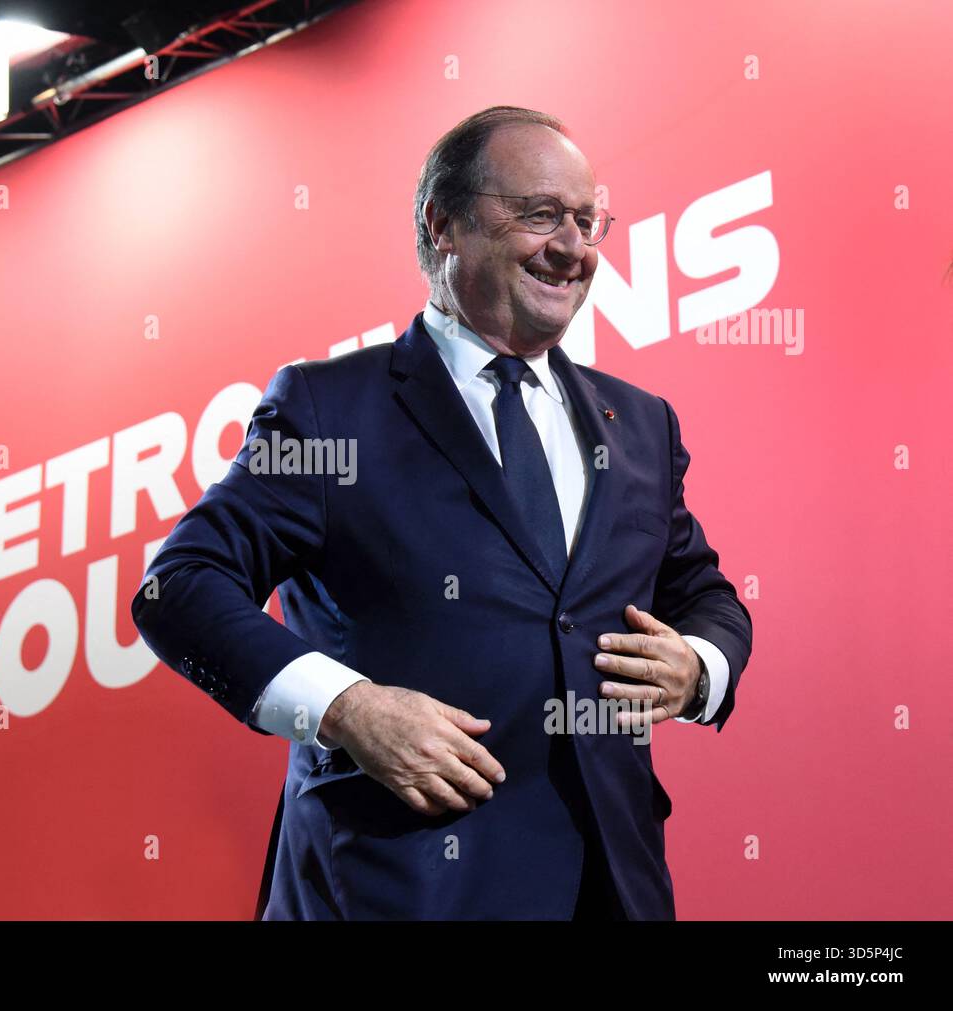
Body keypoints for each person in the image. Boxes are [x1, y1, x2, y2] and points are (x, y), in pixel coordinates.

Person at [131, 106, 753, 920]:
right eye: (539, 215)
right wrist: (349, 709)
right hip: (398, 887)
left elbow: (704, 593)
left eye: (586, 219)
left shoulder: (638, 423)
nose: (573, 247)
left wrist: (699, 666)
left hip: (613, 886)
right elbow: (178, 585)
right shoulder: (329, 410)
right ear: (444, 223)